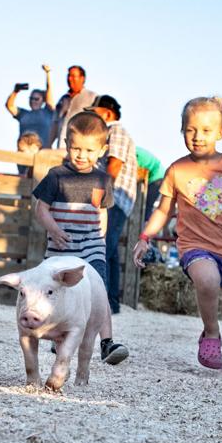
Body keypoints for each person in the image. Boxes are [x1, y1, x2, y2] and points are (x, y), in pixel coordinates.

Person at [133, 97, 222, 373]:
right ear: (182, 130)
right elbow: (163, 210)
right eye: (191, 129)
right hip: (195, 246)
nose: (197, 137)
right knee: (207, 279)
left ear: (219, 133)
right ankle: (210, 333)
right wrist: (145, 237)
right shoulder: (176, 170)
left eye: (206, 131)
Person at [32, 112, 130, 365]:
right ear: (66, 144)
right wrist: (53, 229)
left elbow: (103, 212)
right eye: (75, 148)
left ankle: (107, 343)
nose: (81, 155)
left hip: (91, 245)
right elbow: (40, 208)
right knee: (57, 291)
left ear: (102, 150)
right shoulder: (56, 175)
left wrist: (101, 240)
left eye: (88, 150)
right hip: (61, 246)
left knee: (100, 291)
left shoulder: (103, 179)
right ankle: (60, 336)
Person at [85, 95, 137, 314]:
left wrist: (99, 195)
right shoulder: (117, 132)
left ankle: (96, 302)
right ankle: (111, 303)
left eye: (94, 112)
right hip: (118, 198)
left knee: (101, 247)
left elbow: (114, 164)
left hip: (113, 197)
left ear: (106, 113)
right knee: (111, 250)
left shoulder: (114, 132)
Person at [5, 64, 56, 147]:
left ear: (43, 100)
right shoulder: (23, 114)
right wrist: (15, 91)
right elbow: (9, 106)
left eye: (36, 99)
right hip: (24, 153)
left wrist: (48, 73)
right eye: (31, 98)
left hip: (43, 153)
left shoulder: (48, 112)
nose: (33, 101)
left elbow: (49, 90)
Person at [53, 65, 97, 149]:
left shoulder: (92, 97)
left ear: (82, 78)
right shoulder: (63, 99)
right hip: (61, 146)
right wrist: (48, 144)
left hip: (80, 146)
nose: (70, 79)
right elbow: (55, 123)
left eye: (73, 76)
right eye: (68, 76)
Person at [135, 147, 164, 221]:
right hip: (157, 175)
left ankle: (146, 227)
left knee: (147, 205)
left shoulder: (133, 154)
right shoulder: (134, 150)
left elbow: (135, 176)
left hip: (157, 177)